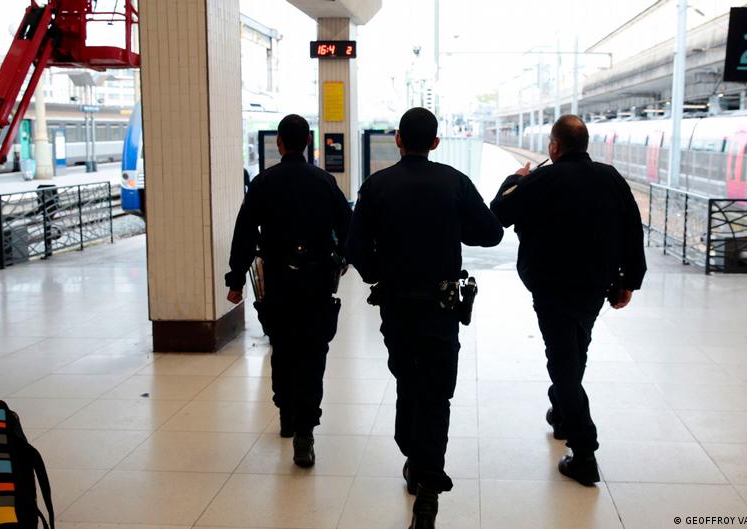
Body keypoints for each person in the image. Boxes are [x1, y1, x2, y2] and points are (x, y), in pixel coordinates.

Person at [347, 108, 503, 529]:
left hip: (396, 307)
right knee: (435, 394)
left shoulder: (376, 186)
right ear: (436, 143)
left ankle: (416, 460)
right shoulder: (454, 182)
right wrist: (455, 226)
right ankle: (427, 485)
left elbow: (355, 247)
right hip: (441, 308)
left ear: (398, 139)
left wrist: (378, 272)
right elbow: (490, 233)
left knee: (407, 379)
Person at [489, 114, 646, 486]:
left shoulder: (542, 179)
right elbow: (632, 229)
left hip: (551, 286)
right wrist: (629, 280)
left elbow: (499, 213)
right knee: (576, 350)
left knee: (562, 363)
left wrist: (516, 180)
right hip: (595, 285)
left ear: (555, 147)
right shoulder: (611, 178)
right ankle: (562, 413)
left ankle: (585, 452)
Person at [225, 114, 352, 468]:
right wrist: (343, 258)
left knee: (282, 347)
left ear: (279, 143)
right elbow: (348, 228)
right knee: (313, 352)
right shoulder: (325, 182)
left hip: (278, 282)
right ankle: (305, 434)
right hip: (316, 283)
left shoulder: (264, 183)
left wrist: (236, 280)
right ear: (308, 142)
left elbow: (245, 233)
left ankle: (285, 412)